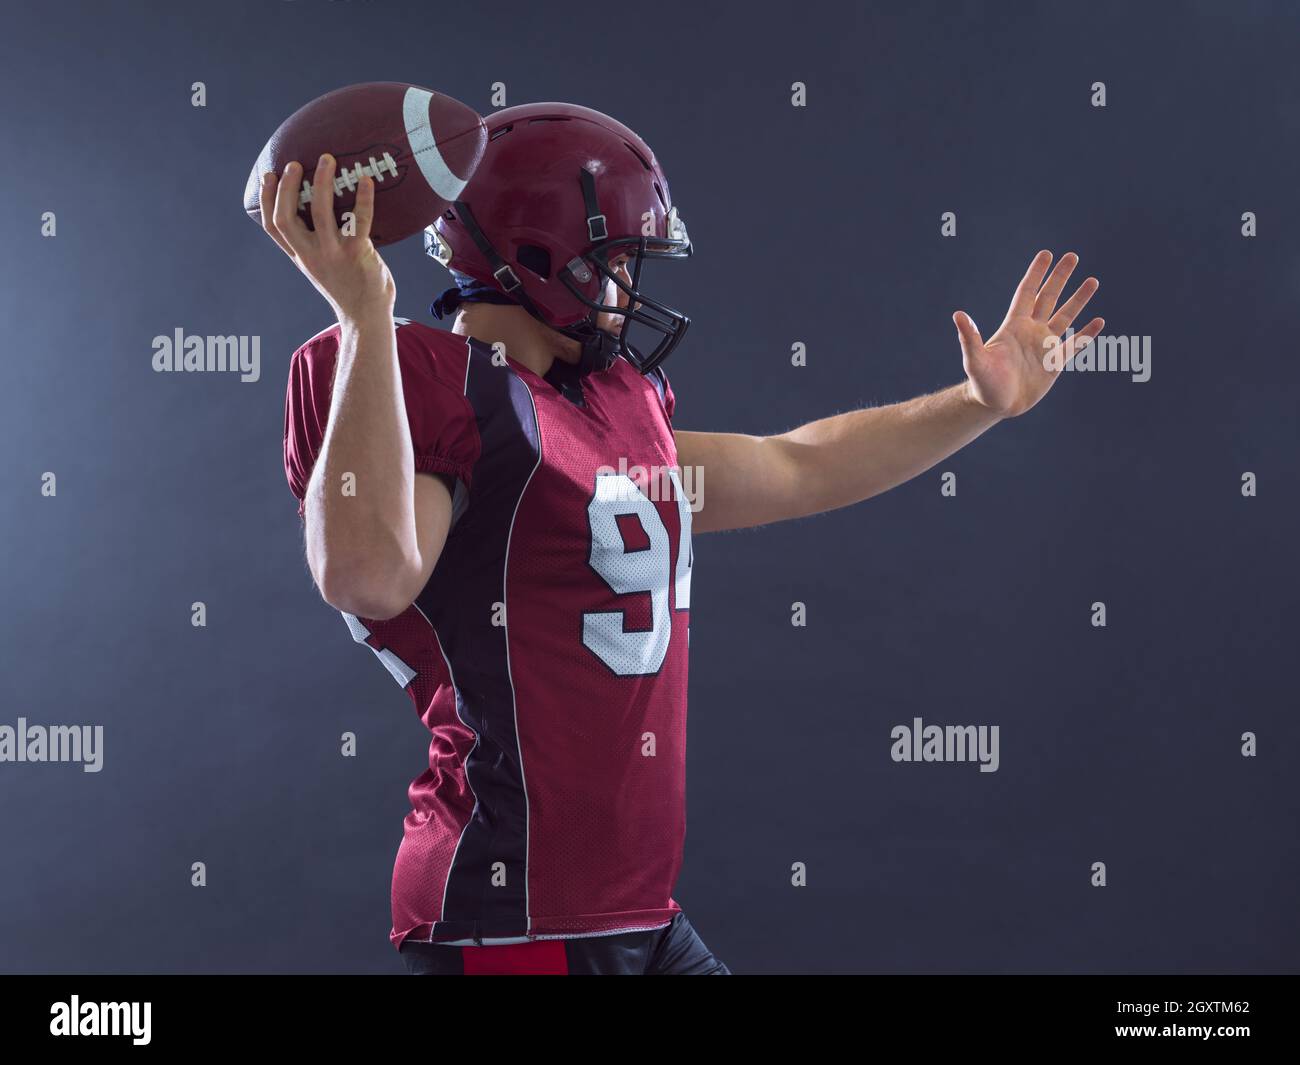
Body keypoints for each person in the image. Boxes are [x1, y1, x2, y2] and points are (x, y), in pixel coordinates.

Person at [259, 102, 1102, 975]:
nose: (629, 288)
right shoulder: (431, 390)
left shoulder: (614, 407)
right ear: (536, 254)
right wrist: (362, 318)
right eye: (614, 260)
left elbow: (798, 465)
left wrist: (975, 405)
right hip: (510, 913)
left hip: (638, 907)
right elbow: (368, 576)